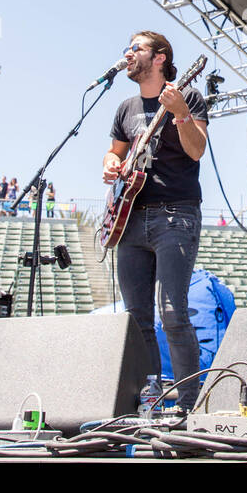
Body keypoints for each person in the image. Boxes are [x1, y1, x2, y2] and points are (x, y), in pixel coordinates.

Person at [102, 31, 209, 410]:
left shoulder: (189, 96)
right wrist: (112, 165)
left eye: (137, 49)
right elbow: (112, 155)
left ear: (160, 58)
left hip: (174, 214)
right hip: (129, 219)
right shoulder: (125, 107)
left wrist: (180, 112)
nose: (129, 54)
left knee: (172, 312)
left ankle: (190, 403)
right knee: (137, 318)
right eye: (127, 48)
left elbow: (196, 152)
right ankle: (150, 399)